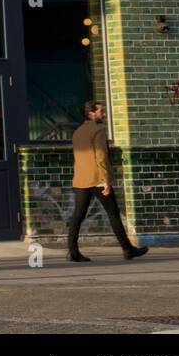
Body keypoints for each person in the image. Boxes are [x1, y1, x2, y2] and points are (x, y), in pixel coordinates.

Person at [67, 100, 148, 263]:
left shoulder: (77, 132)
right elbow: (101, 156)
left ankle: (72, 252)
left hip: (81, 179)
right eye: (100, 111)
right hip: (97, 178)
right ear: (91, 114)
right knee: (113, 214)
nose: (103, 114)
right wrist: (105, 180)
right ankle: (128, 249)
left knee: (78, 215)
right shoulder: (98, 130)